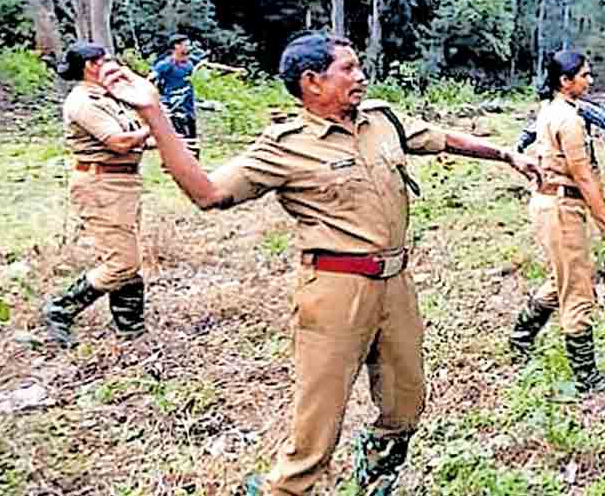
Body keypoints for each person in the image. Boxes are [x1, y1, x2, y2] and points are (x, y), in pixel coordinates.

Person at [97, 32, 541, 495]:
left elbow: (440, 138)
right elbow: (207, 193)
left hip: (396, 285)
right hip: (335, 291)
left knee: (406, 405)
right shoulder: (284, 145)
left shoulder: (381, 120)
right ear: (312, 81)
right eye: (347, 69)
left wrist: (506, 153)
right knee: (316, 430)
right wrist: (154, 112)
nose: (361, 76)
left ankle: (374, 481)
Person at [507, 50, 605, 394]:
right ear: (565, 82)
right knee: (578, 289)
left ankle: (521, 336)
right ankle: (586, 377)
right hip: (562, 207)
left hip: (552, 204)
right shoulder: (568, 120)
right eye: (585, 76)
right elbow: (584, 178)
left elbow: (601, 119)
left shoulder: (552, 109)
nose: (590, 81)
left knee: (561, 276)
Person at [42, 43, 151, 346]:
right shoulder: (83, 102)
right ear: (90, 66)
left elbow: (134, 134)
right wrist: (152, 125)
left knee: (127, 255)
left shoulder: (108, 98)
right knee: (122, 262)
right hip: (101, 184)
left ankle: (131, 327)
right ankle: (60, 309)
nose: (110, 64)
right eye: (103, 60)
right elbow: (118, 141)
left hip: (122, 183)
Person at [148, 34, 243, 156]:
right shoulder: (166, 64)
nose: (189, 47)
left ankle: (194, 166)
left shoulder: (191, 62)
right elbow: (150, 79)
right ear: (176, 46)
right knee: (180, 140)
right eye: (186, 44)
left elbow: (210, 66)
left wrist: (233, 70)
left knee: (193, 138)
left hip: (189, 107)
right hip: (173, 108)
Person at [517, 98, 605, 161]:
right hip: (557, 163)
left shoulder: (580, 107)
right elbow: (533, 130)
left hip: (584, 161)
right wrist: (520, 144)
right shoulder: (549, 109)